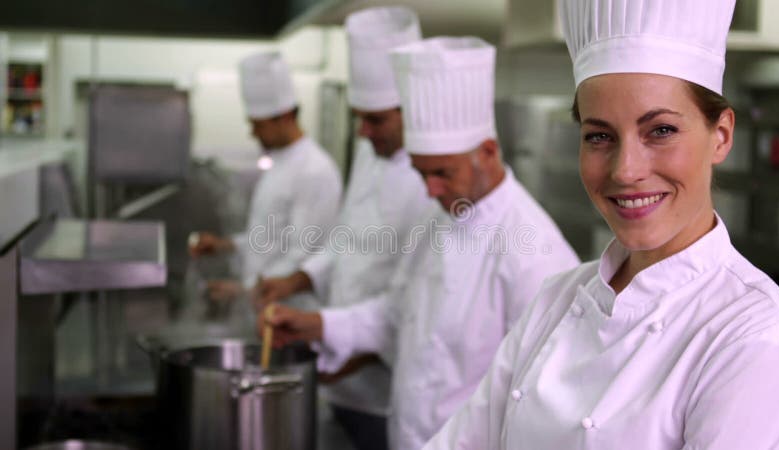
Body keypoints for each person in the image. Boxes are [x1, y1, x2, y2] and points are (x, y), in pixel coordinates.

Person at [424, 0, 779, 448]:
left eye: (661, 131)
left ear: (721, 135)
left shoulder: (753, 335)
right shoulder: (557, 298)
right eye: (599, 136)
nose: (625, 170)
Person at [263, 37, 580, 450]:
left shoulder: (535, 252)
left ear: (487, 152)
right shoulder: (439, 217)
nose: (430, 190)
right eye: (421, 173)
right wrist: (319, 324)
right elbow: (398, 314)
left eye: (442, 174)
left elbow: (543, 402)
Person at [254, 7, 433, 450]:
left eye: (376, 119)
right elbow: (347, 239)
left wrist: (352, 351)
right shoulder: (372, 152)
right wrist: (297, 279)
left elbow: (414, 304)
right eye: (359, 117)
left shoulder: (433, 182)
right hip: (337, 367)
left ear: (411, 107)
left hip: (383, 386)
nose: (363, 132)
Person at [188, 52, 342, 303]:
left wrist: (243, 291)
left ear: (285, 116)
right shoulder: (280, 163)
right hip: (264, 305)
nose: (253, 133)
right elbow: (269, 239)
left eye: (259, 125)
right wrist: (225, 245)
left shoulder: (315, 170)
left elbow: (303, 256)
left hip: (293, 311)